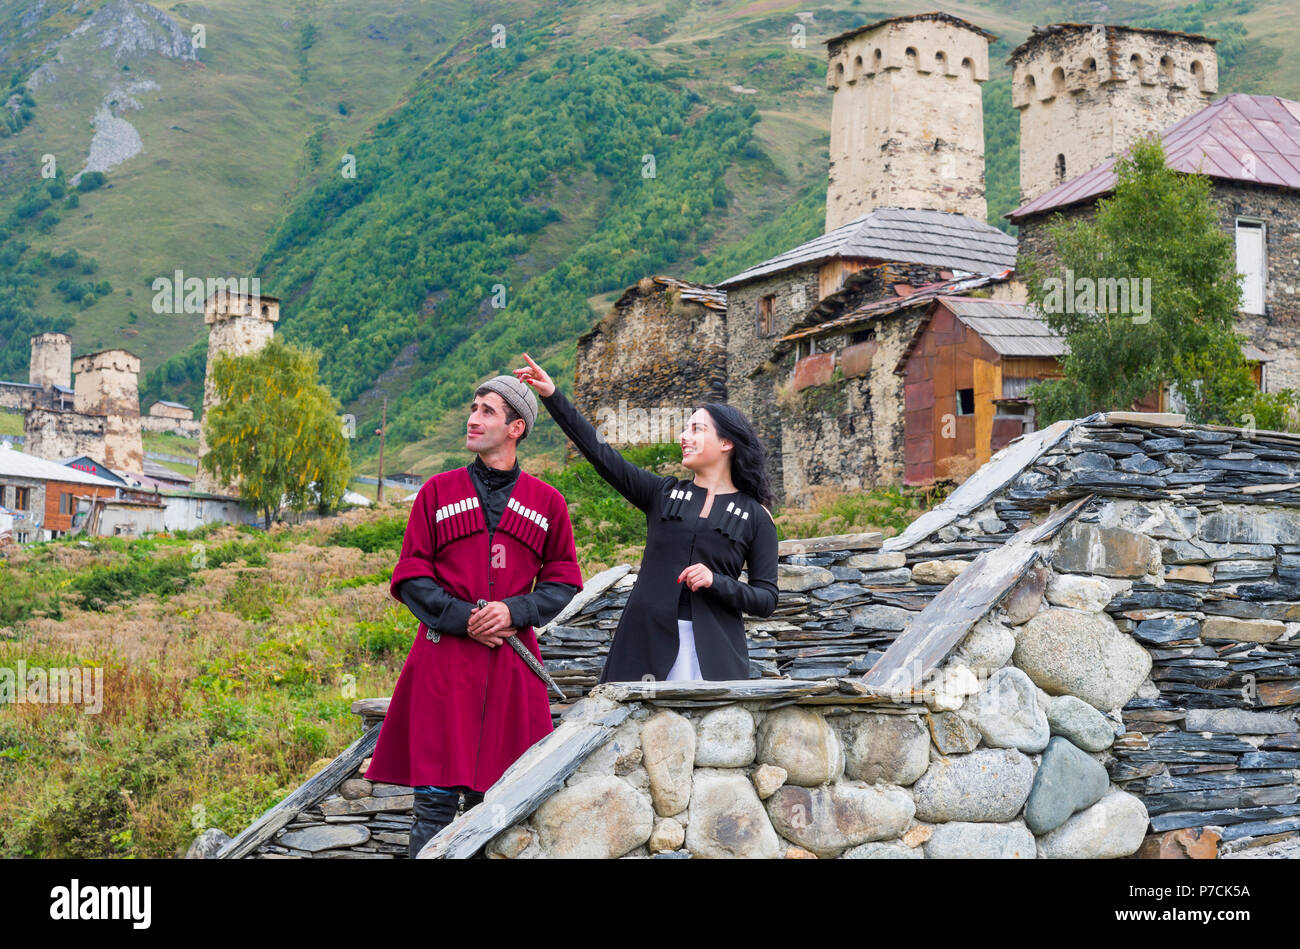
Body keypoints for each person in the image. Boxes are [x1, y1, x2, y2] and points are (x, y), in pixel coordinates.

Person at [365, 375, 583, 858]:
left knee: (499, 804)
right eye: (473, 407)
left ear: (516, 427)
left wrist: (513, 610)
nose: (473, 417)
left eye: (487, 410)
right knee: (434, 804)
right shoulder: (437, 493)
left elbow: (564, 579)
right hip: (443, 666)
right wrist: (463, 617)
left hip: (510, 669)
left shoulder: (548, 503)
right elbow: (411, 574)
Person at [514, 352, 778, 684]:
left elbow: (766, 599)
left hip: (716, 658)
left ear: (726, 442)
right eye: (685, 428)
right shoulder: (661, 494)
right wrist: (554, 396)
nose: (684, 436)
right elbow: (601, 453)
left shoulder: (756, 516)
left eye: (696, 429)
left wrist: (717, 581)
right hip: (642, 648)